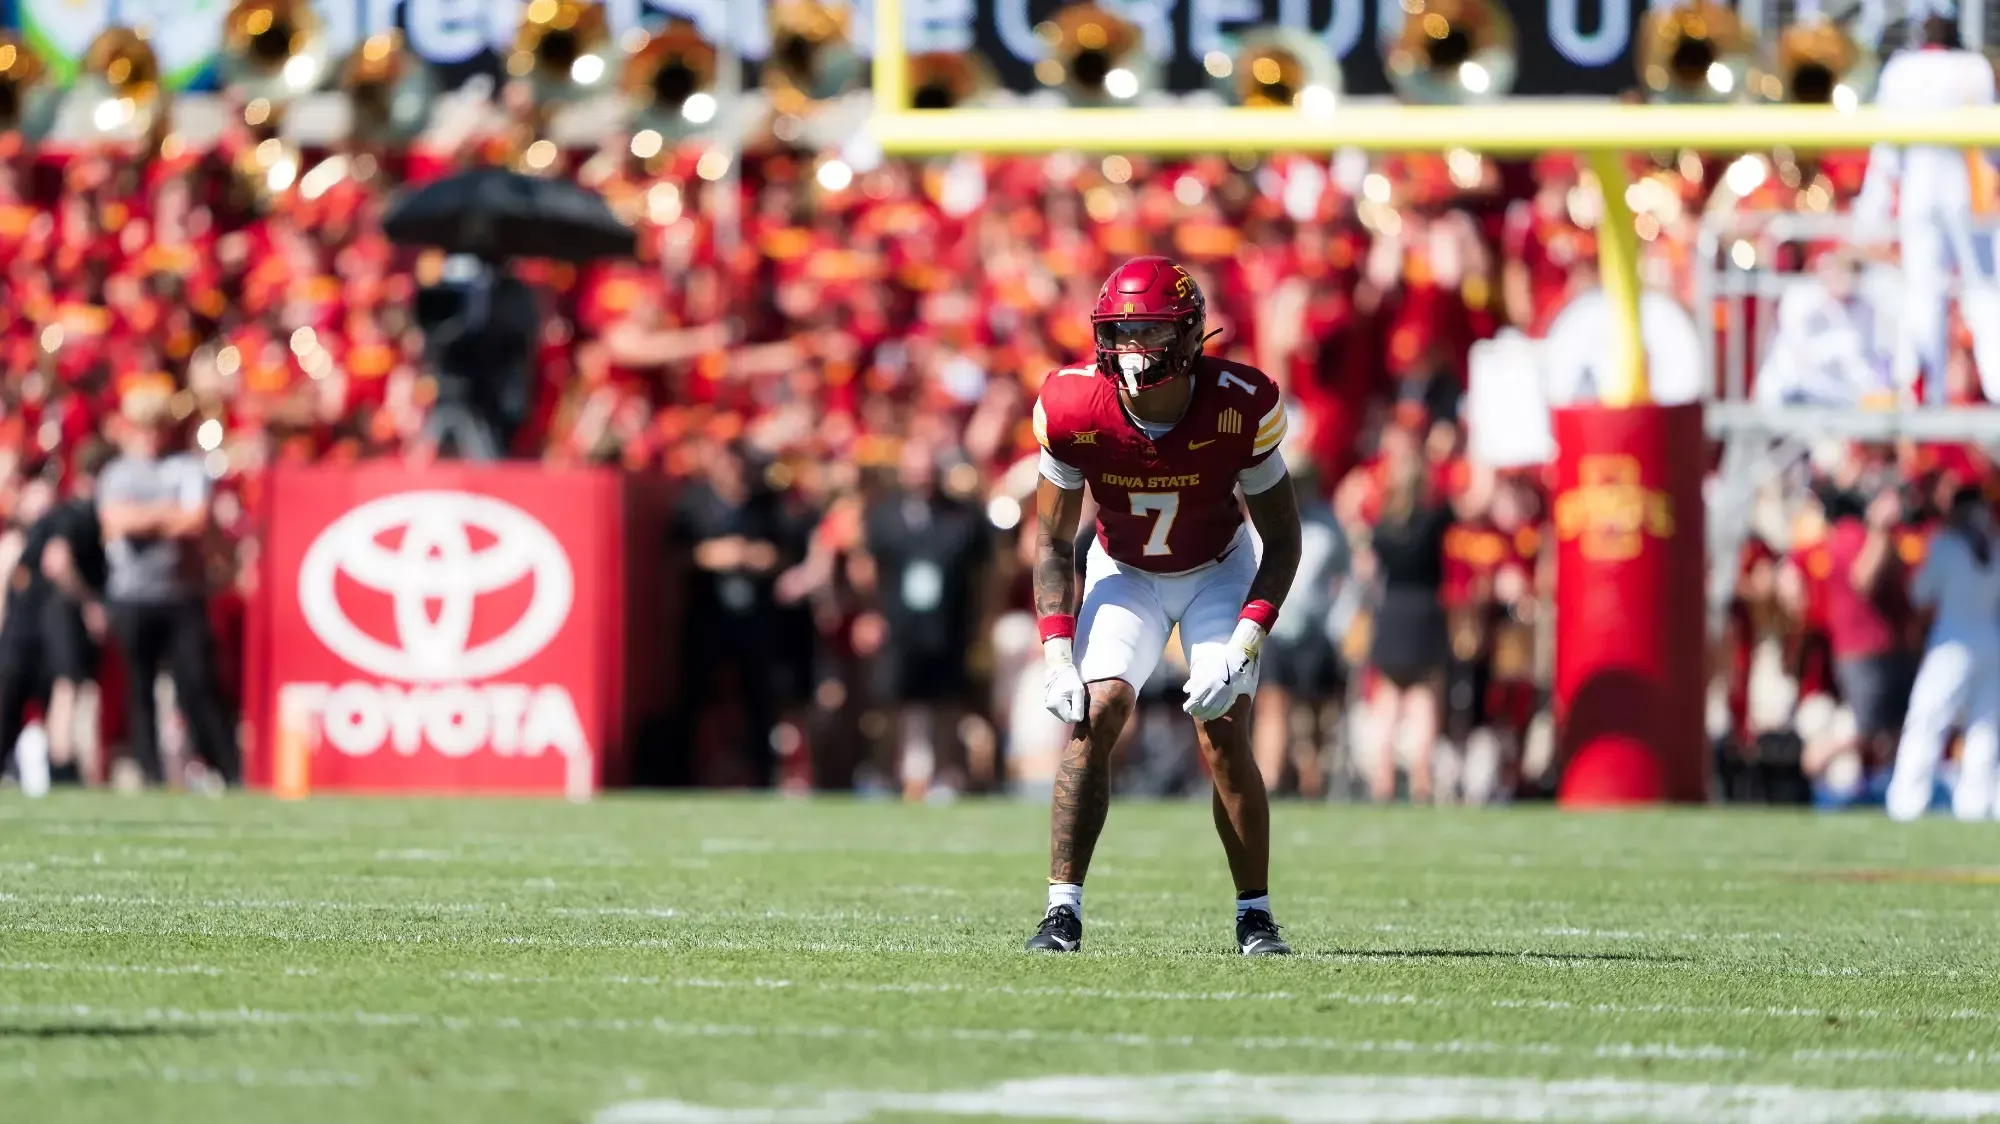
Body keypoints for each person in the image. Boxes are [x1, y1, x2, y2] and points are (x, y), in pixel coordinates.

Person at [1024, 256, 1303, 955]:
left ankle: (1255, 914)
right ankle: (1061, 911)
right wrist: (1057, 653)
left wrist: (1243, 644)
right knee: (1097, 709)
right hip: (1125, 569)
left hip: (1218, 569)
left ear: (1187, 338)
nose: (1129, 350)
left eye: (1146, 332)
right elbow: (1054, 541)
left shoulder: (1240, 401)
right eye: (1119, 331)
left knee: (1221, 728)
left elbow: (1284, 542)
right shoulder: (1071, 405)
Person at [96, 391, 240, 787]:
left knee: (198, 683)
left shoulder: (187, 467)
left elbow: (194, 521)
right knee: (138, 691)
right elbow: (114, 522)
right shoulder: (117, 474)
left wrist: (146, 518)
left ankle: (227, 769)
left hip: (181, 595)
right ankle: (151, 774)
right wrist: (167, 515)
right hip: (132, 595)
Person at [1854, 13, 2000, 404]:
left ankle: (1927, 392)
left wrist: (1873, 208)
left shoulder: (1903, 70)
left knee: (1932, 289)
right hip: (1967, 193)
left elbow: (1887, 151)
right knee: (1979, 290)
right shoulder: (1975, 67)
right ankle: (1981, 385)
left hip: (1929, 191)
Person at [862, 442, 989, 800]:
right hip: (897, 624)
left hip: (948, 623)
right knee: (889, 703)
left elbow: (984, 575)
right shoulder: (883, 514)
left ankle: (945, 776)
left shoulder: (964, 516)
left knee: (947, 703)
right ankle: (883, 776)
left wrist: (982, 624)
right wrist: (869, 614)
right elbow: (868, 568)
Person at [1886, 485, 2000, 821]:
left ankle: (1908, 800)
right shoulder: (1994, 546)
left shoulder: (1946, 546)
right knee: (1986, 724)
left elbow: (1919, 593)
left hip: (1952, 640)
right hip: (1991, 638)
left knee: (1928, 717)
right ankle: (1976, 802)